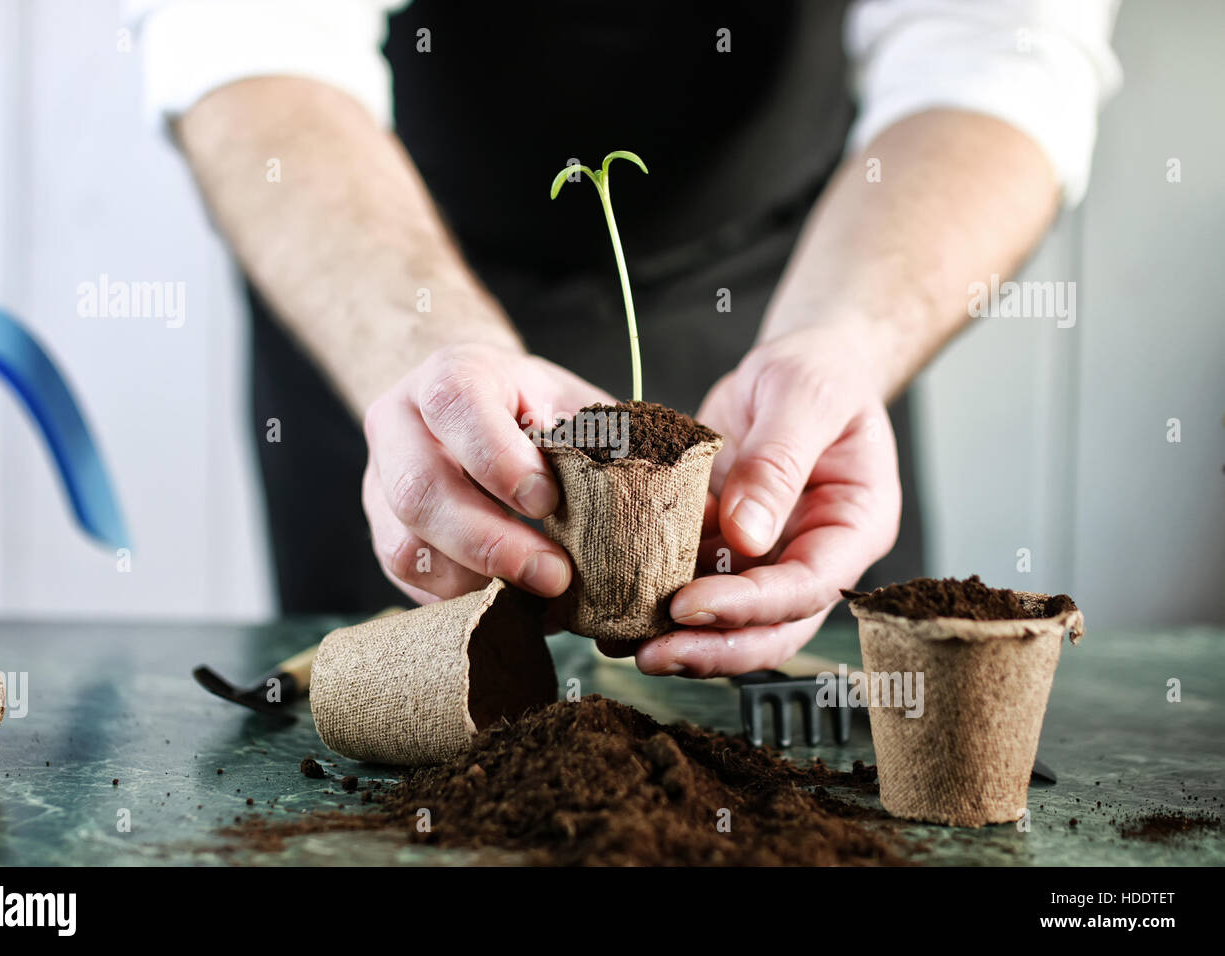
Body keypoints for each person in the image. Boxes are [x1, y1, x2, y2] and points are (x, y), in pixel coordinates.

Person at [130, 0, 1120, 677]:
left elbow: (997, 47)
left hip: (806, 288)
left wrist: (840, 343)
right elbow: (249, 30)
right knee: (400, 765)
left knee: (801, 764)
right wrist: (421, 352)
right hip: (386, 296)